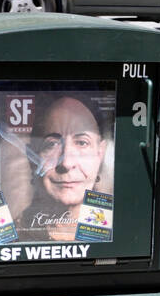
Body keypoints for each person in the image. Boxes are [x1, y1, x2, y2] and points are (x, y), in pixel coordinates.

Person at [16, 96, 110, 242]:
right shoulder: (14, 236)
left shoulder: (119, 231)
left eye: (82, 143)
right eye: (52, 144)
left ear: (100, 154)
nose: (66, 162)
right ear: (31, 158)